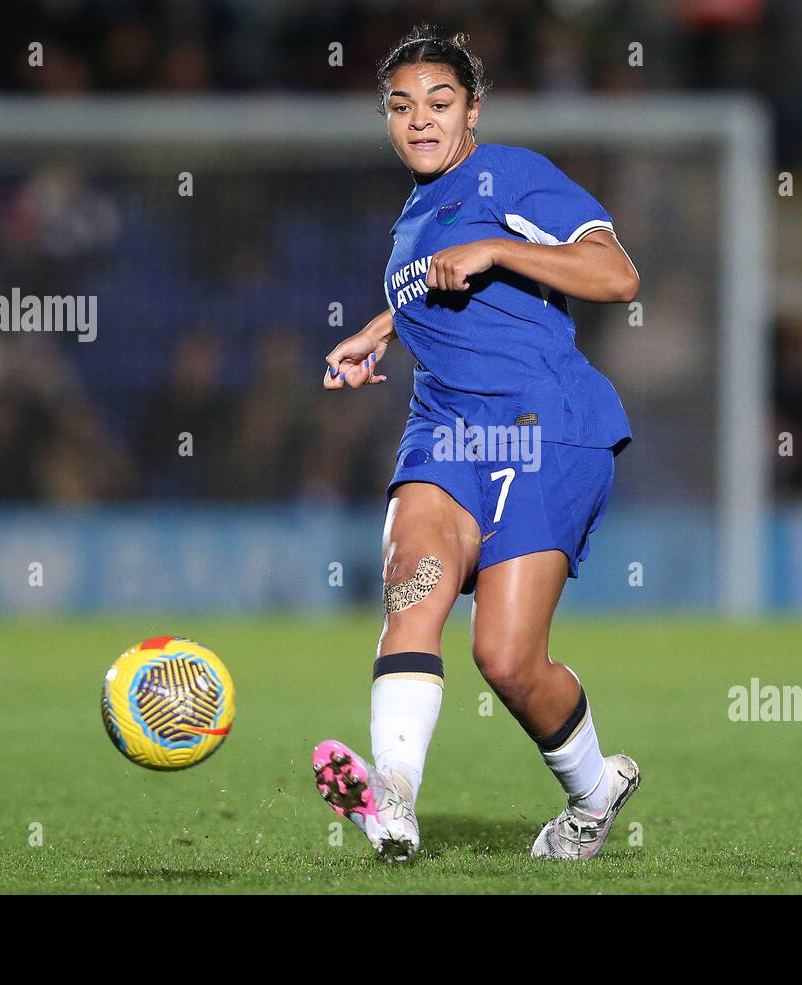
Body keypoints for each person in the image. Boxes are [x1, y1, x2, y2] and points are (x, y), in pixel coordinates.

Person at [312, 25, 641, 862]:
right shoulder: (415, 214)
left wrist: (499, 246)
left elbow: (615, 275)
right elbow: (451, 284)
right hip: (446, 425)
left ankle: (593, 788)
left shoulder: (510, 175)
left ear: (473, 110)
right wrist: (384, 328)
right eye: (401, 106)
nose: (419, 120)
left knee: (505, 657)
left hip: (544, 428)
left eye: (439, 102)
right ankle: (393, 799)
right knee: (411, 586)